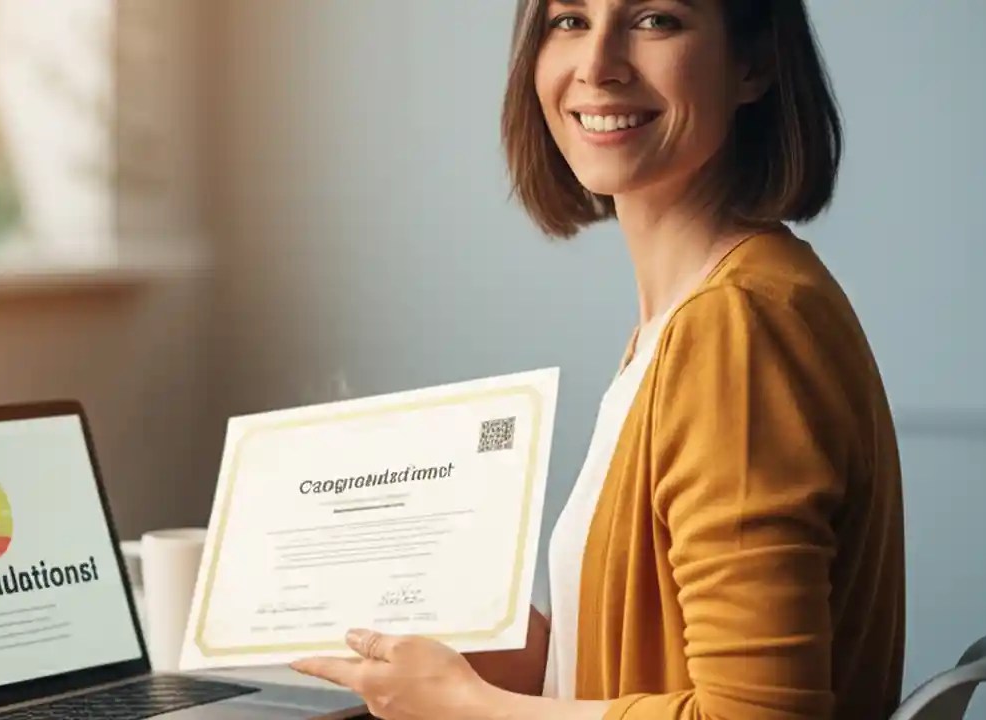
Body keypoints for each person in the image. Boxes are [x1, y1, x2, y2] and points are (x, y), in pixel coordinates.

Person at [292, 0, 906, 718]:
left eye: (654, 20)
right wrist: (496, 647)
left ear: (754, 63)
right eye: (569, 21)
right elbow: (639, 653)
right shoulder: (697, 311)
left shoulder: (734, 328)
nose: (598, 66)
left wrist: (468, 707)